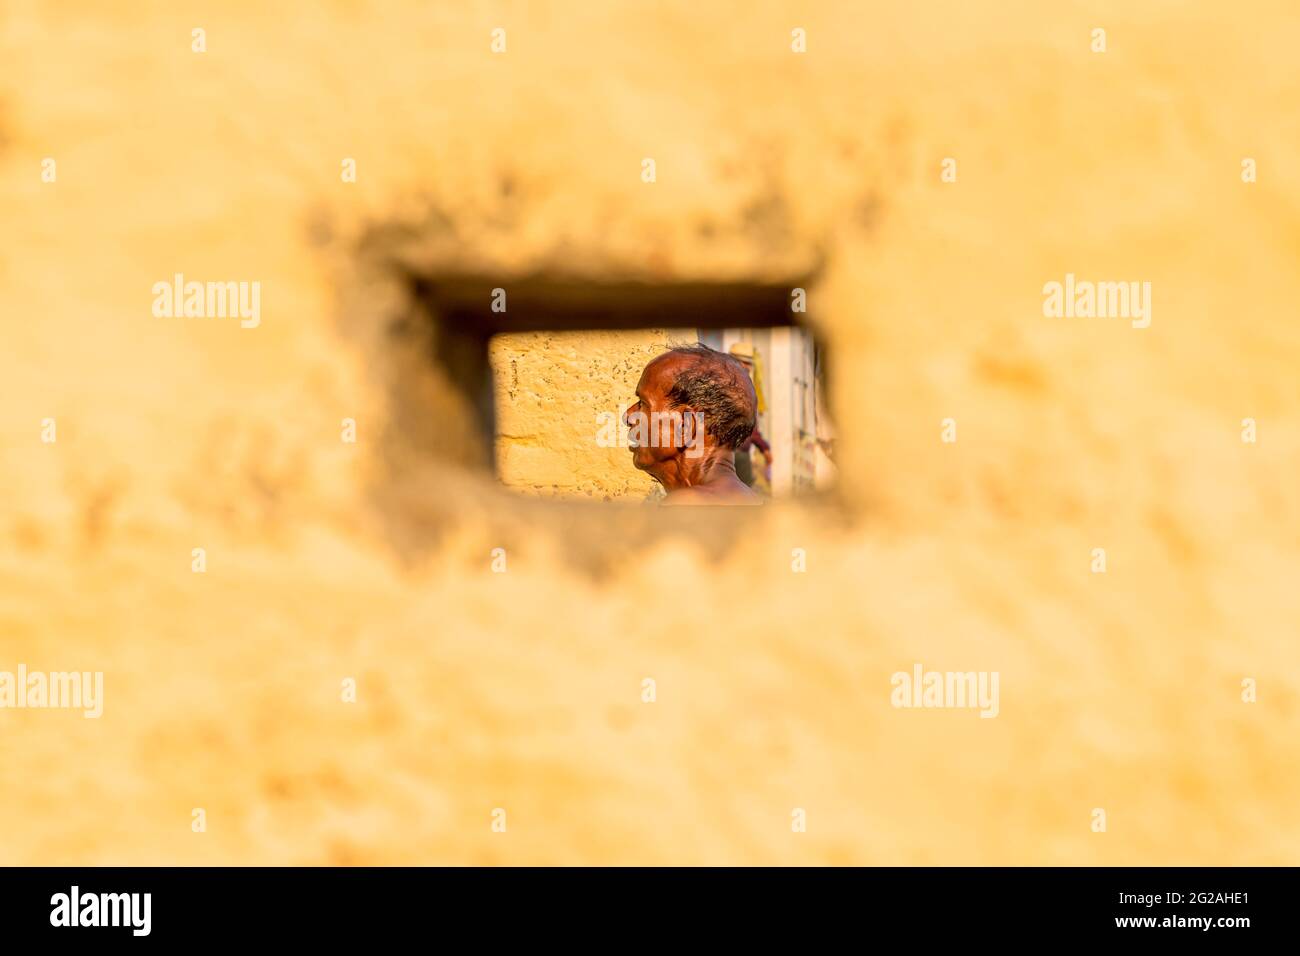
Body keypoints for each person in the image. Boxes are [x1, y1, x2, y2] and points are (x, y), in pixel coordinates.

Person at [623, 345, 763, 505]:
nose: (628, 416)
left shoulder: (686, 504)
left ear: (685, 426)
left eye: (642, 403)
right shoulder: (751, 499)